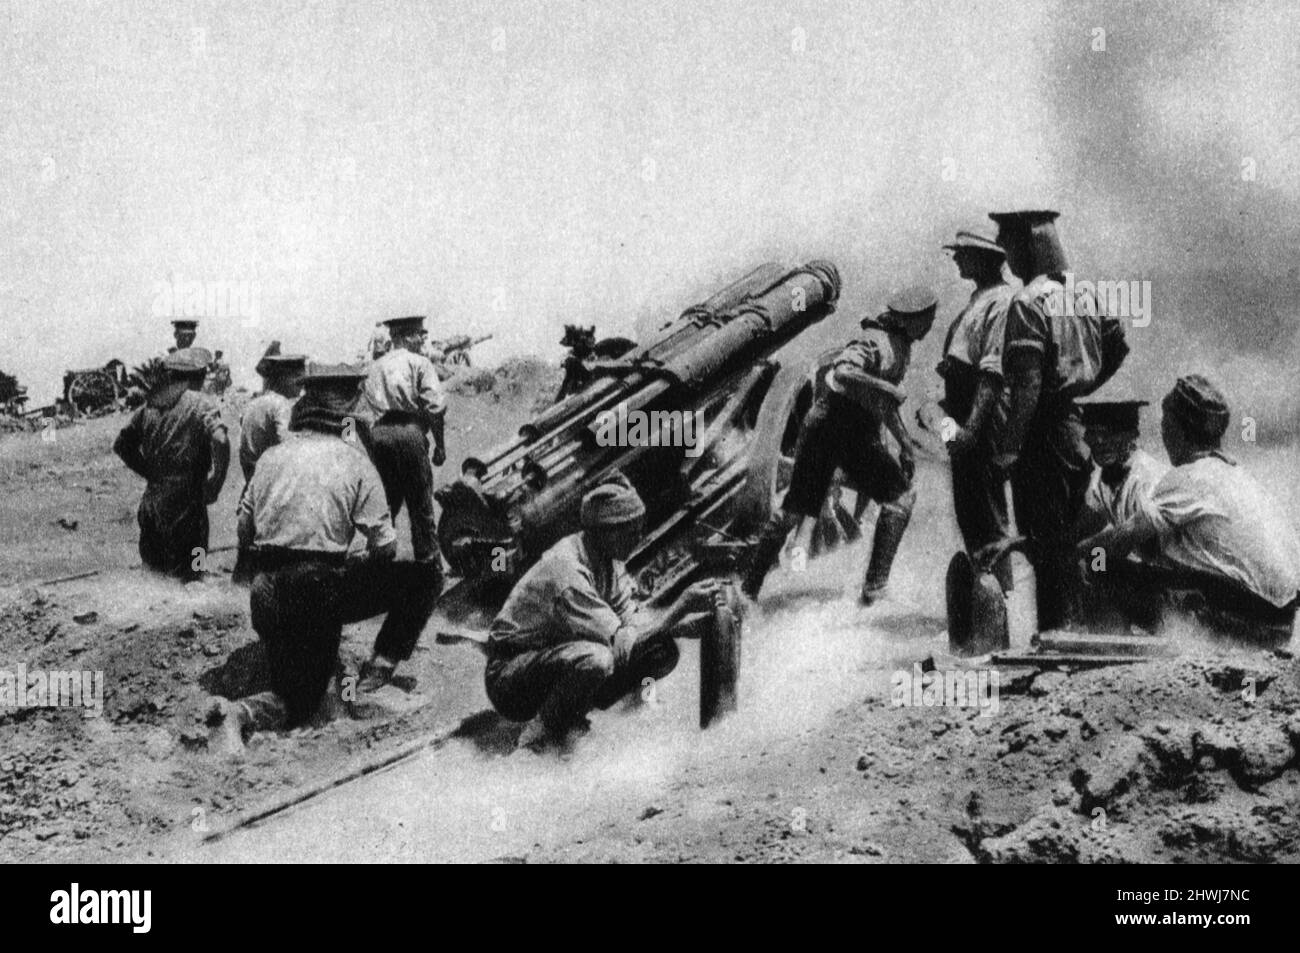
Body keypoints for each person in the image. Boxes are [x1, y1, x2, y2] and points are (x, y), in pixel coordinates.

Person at [207, 364, 443, 751]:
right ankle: (247, 711)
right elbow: (386, 547)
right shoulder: (354, 463)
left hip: (265, 595)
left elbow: (244, 532)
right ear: (347, 415)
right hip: (317, 592)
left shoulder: (270, 459)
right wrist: (351, 565)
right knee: (426, 579)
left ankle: (325, 678)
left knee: (299, 665)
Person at [485, 473, 723, 751]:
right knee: (597, 659)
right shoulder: (566, 569)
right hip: (510, 679)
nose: (639, 536)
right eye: (631, 529)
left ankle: (578, 715)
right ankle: (537, 736)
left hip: (551, 660)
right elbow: (620, 641)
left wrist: (679, 625)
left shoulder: (608, 561)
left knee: (660, 650)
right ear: (605, 531)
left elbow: (632, 625)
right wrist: (681, 607)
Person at [743, 286, 937, 605]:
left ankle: (872, 588)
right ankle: (750, 590)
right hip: (834, 423)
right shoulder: (874, 340)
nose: (928, 327)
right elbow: (844, 372)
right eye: (926, 321)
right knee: (798, 512)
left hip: (852, 429)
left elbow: (884, 403)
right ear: (909, 320)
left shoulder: (900, 346)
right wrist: (884, 386)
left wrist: (905, 445)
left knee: (897, 498)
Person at [1077, 375, 1300, 641]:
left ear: (1177, 430)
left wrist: (1082, 553)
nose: (1162, 434)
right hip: (1283, 620)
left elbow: (1122, 541)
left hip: (1248, 622)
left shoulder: (1188, 477)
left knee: (1100, 565)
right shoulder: (1235, 474)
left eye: (1165, 425)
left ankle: (1109, 653)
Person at [992, 209, 1114, 630]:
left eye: (1009, 246)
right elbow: (1117, 346)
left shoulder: (1028, 302)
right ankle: (1080, 629)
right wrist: (1081, 386)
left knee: (1045, 543)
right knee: (1075, 538)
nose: (1007, 259)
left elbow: (1026, 384)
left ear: (1031, 245)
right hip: (1076, 429)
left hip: (1042, 436)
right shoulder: (1085, 293)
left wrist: (1008, 449)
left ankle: (1056, 635)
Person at [936, 228, 1017, 589]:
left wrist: (970, 428)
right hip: (962, 408)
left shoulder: (1001, 301)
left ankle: (1002, 602)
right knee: (968, 512)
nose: (956, 258)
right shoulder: (979, 298)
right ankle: (982, 602)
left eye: (963, 253)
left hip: (980, 413)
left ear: (985, 258)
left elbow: (992, 372)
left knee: (988, 514)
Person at [113, 347, 229, 581]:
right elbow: (219, 439)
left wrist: (150, 473)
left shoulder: (149, 407)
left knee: (153, 574)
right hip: (188, 506)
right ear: (198, 375)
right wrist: (216, 481)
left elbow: (122, 445)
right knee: (195, 568)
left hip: (152, 505)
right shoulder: (201, 404)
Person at [363, 315, 448, 565]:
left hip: (380, 435)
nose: (423, 340)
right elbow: (435, 408)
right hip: (410, 432)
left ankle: (378, 566)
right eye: (419, 334)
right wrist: (440, 445)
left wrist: (370, 444)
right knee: (421, 505)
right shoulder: (420, 363)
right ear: (405, 336)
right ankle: (428, 567)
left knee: (385, 504)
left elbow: (357, 415)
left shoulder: (373, 368)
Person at [232, 346, 307, 585]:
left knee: (247, 545)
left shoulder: (254, 404)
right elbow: (288, 447)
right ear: (281, 378)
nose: (301, 382)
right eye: (296, 377)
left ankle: (239, 587)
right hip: (274, 484)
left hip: (253, 480)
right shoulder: (281, 405)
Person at [1075, 399, 1167, 537]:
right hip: (1137, 554)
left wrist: (1084, 549)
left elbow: (1130, 543)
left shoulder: (1146, 480)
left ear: (1132, 435)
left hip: (1162, 556)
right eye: (1093, 432)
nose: (1100, 441)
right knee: (1094, 555)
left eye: (1109, 433)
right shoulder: (1103, 477)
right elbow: (1088, 524)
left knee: (1096, 552)